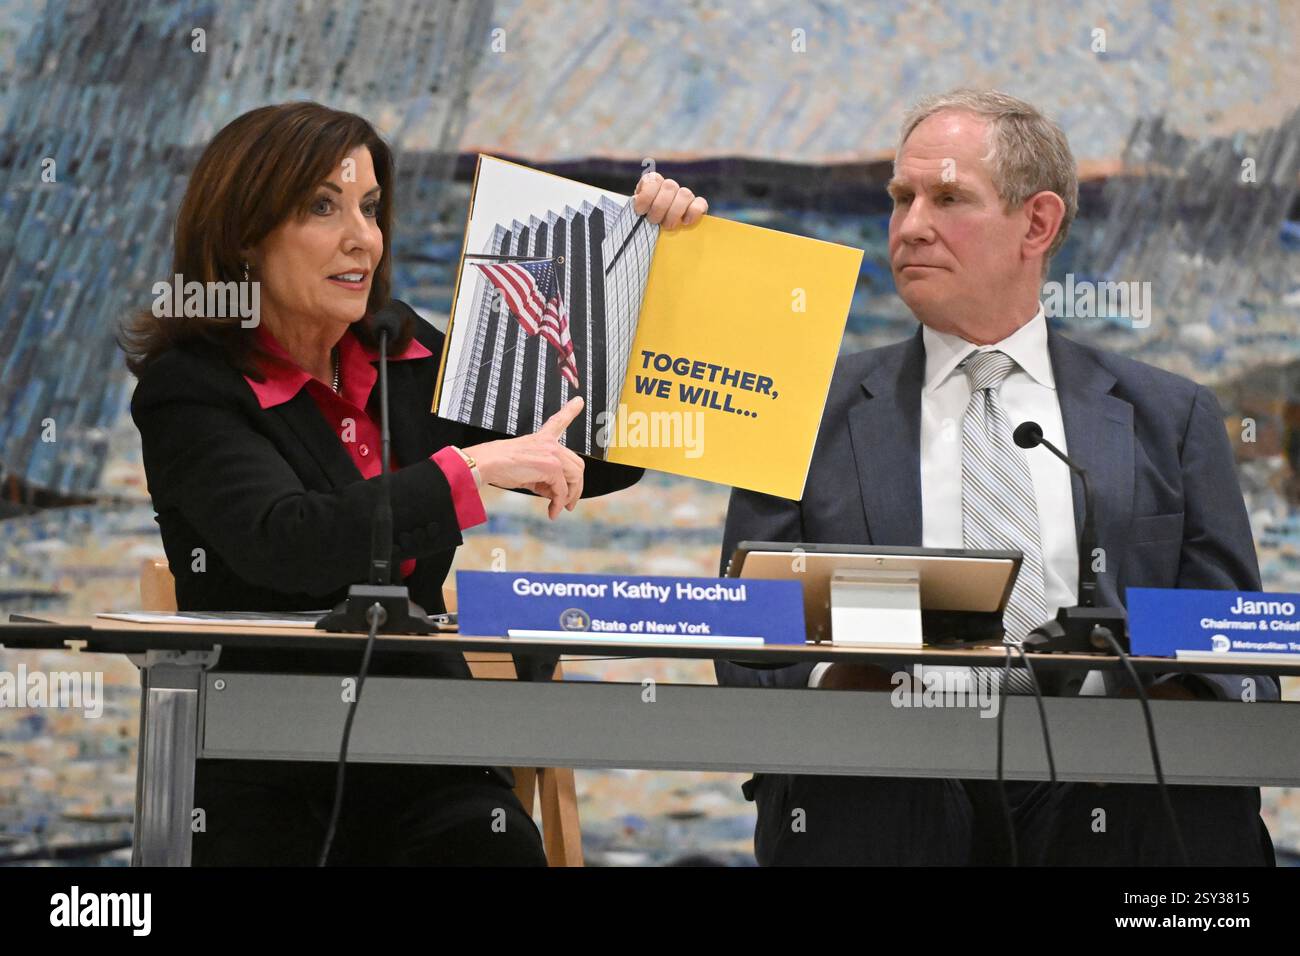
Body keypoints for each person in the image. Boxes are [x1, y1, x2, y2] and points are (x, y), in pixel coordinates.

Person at [121, 101, 707, 865]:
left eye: (370, 207)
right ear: (242, 238)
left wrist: (653, 267)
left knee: (495, 850)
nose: (362, 236)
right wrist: (468, 469)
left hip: (424, 756)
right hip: (265, 769)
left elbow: (596, 452)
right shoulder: (190, 390)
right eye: (321, 208)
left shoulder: (404, 347)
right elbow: (287, 543)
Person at [716, 88, 1277, 866]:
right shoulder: (801, 411)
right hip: (889, 763)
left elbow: (1236, 657)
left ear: (1037, 225)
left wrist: (1146, 704)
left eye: (947, 198)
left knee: (1171, 793)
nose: (910, 226)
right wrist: (835, 682)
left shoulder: (1170, 416)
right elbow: (744, 652)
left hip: (1102, 773)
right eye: (901, 198)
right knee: (875, 791)